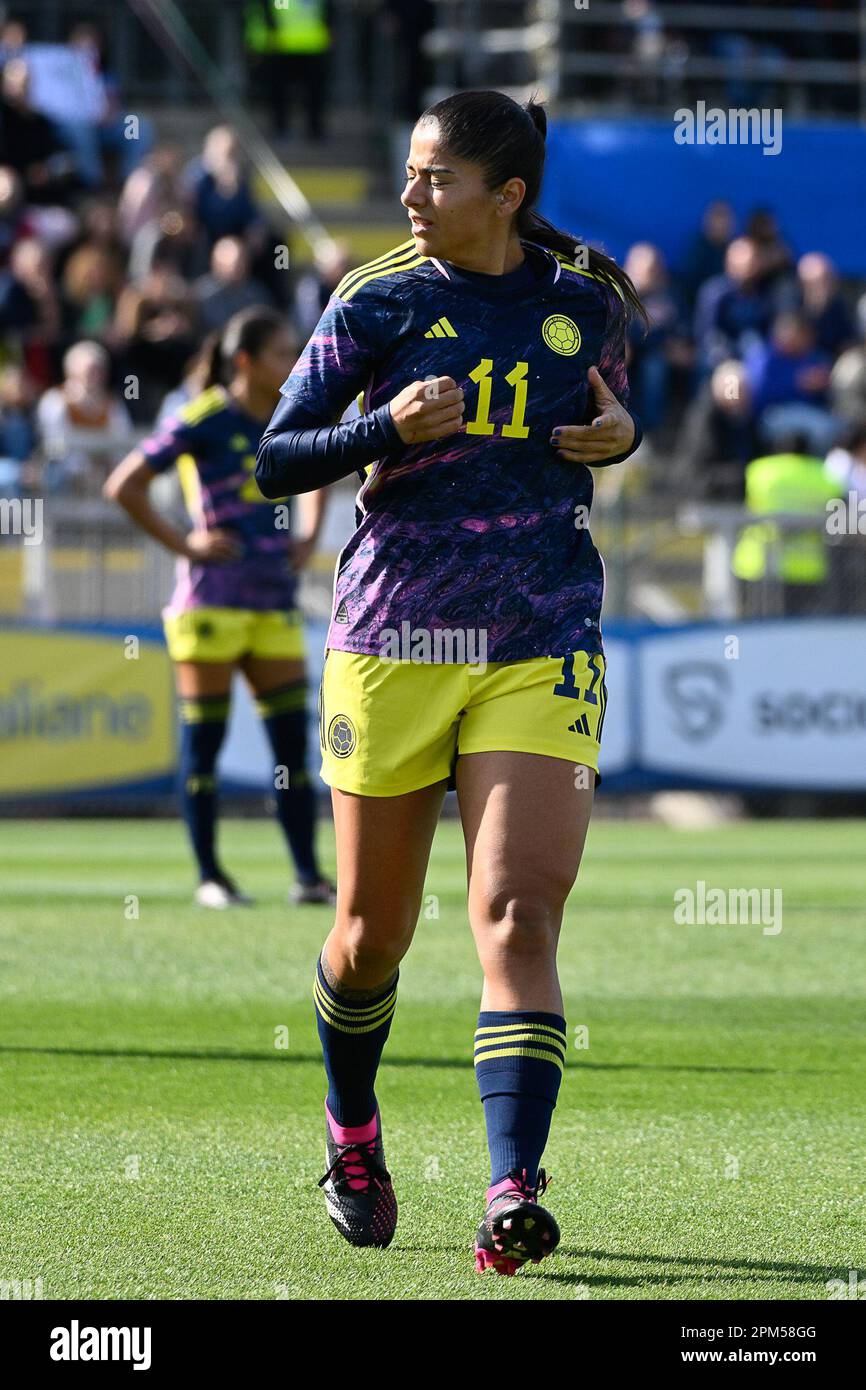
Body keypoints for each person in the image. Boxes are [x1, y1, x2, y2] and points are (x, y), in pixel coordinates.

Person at [256, 90, 644, 1273]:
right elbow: (276, 459)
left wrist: (622, 437)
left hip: (542, 631)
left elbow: (629, 413)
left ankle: (510, 1187)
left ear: (506, 194)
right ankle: (353, 1131)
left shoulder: (588, 298)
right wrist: (383, 430)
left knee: (517, 917)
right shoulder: (376, 299)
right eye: (411, 172)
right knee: (372, 935)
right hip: (395, 640)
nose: (412, 194)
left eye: (434, 177)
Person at [103, 307, 334, 908]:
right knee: (205, 744)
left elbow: (320, 471)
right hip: (210, 605)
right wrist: (186, 543)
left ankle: (308, 877)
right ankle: (211, 878)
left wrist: (308, 536)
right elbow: (124, 483)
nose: (293, 364)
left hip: (274, 603)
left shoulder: (291, 417)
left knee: (291, 750)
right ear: (244, 362)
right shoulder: (202, 418)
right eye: (283, 352)